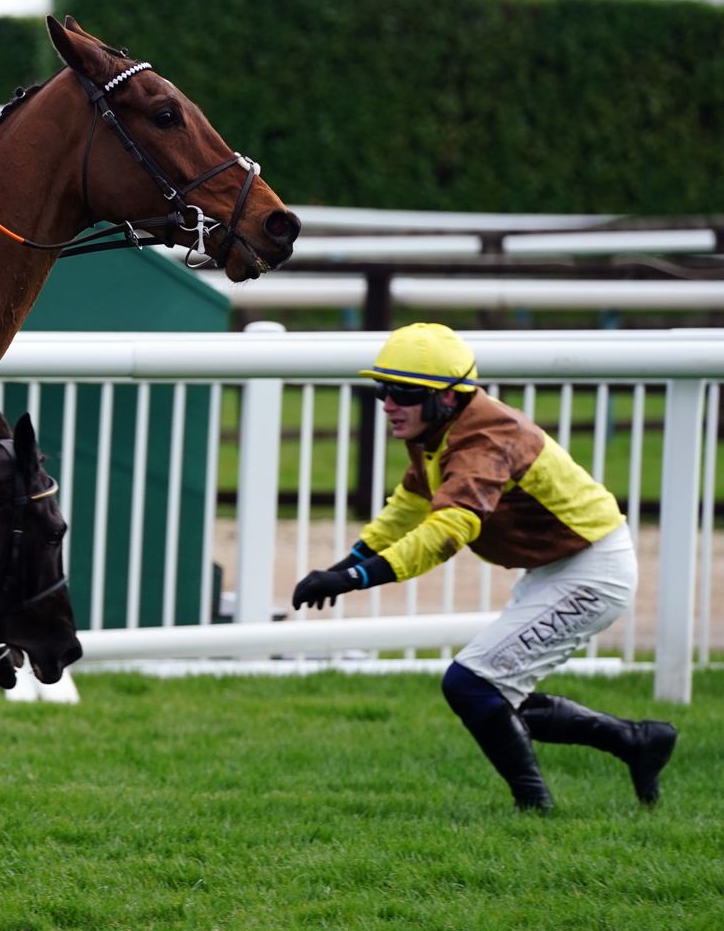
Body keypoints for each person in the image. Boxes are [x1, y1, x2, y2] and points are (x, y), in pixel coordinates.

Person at [291, 323, 679, 811]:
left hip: (592, 570)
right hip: (558, 567)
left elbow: (447, 532)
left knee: (470, 683)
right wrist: (346, 564)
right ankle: (638, 741)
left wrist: (353, 579)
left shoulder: (487, 439)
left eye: (403, 392)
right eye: (382, 390)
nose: (388, 404)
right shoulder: (434, 427)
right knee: (494, 695)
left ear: (450, 398)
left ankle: (535, 808)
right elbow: (409, 507)